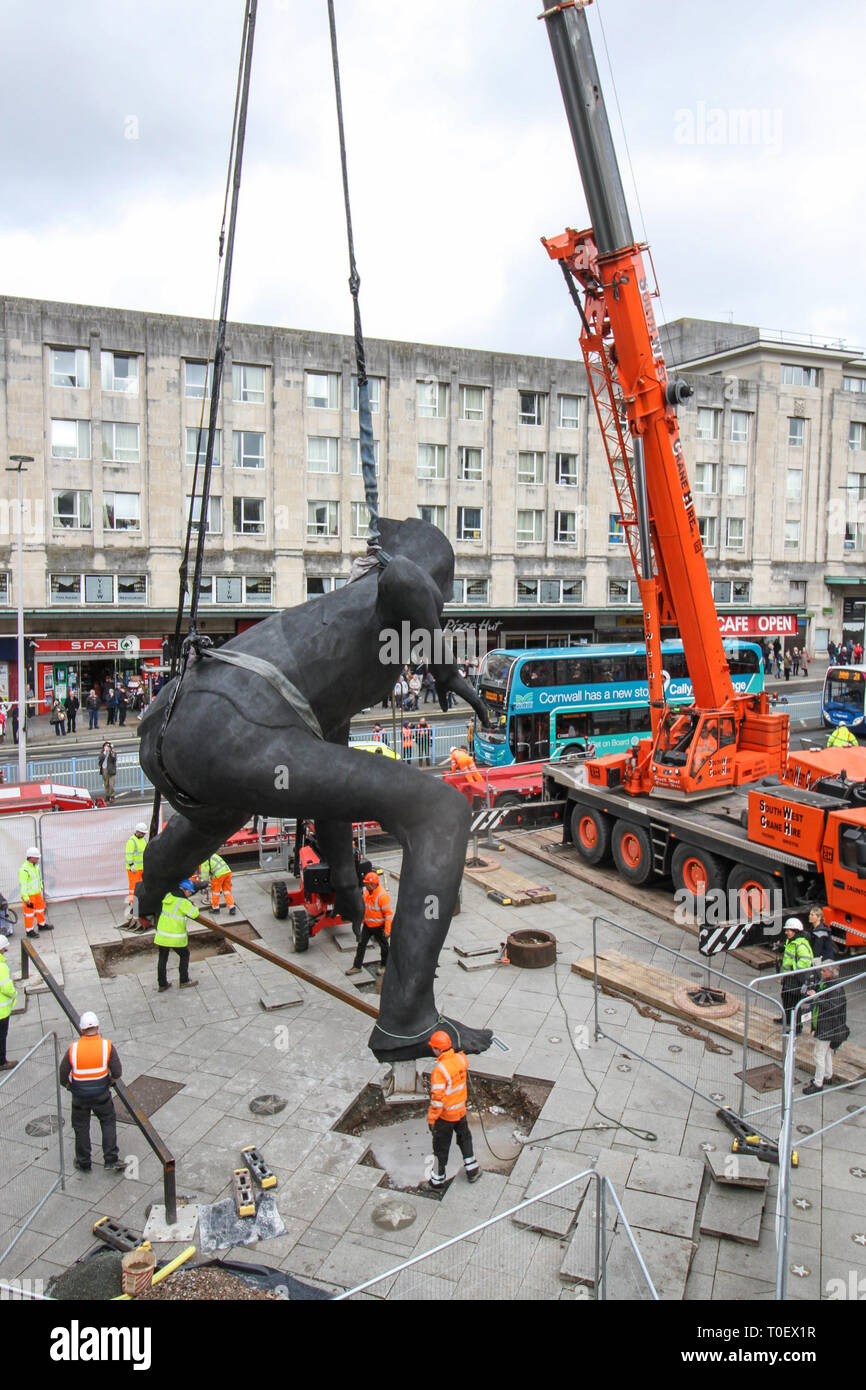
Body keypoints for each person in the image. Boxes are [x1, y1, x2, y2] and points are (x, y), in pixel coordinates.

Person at [59, 1012, 122, 1172]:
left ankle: (83, 1162)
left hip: (79, 1096)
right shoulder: (106, 1046)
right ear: (97, 1028)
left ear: (81, 1030)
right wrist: (112, 1079)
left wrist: (68, 1085)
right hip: (101, 1094)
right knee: (108, 1122)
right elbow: (117, 1071)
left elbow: (63, 1073)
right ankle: (110, 1159)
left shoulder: (73, 1049)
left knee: (81, 1127)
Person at [427, 1029, 480, 1190]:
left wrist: (431, 1119)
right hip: (460, 1111)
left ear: (437, 1049)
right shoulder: (461, 1060)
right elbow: (463, 1055)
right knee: (465, 1139)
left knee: (440, 1149)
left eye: (433, 1048)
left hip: (445, 1116)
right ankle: (472, 1169)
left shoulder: (440, 1071)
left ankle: (437, 1181)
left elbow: (437, 1099)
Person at [803, 965, 849, 1095]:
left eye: (824, 970)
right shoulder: (830, 985)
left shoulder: (834, 988)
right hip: (828, 1026)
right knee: (826, 1052)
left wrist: (816, 996)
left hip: (828, 1027)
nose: (821, 972)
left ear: (831, 973)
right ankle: (827, 1076)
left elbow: (832, 1007)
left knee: (819, 1055)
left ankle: (818, 1083)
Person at [153, 881, 199, 992]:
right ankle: (184, 980)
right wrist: (194, 906)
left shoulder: (168, 896)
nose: (190, 894)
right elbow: (194, 914)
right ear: (184, 890)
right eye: (189, 892)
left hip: (162, 935)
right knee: (185, 955)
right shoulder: (183, 902)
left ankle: (162, 984)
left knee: (163, 958)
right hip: (175, 937)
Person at [346, 870, 392, 977]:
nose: (369, 885)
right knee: (361, 945)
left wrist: (387, 930)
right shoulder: (366, 892)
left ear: (376, 883)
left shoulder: (382, 896)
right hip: (368, 925)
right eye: (367, 883)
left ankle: (385, 966)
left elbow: (388, 915)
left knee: (384, 947)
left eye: (371, 884)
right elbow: (364, 907)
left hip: (379, 926)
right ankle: (357, 966)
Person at [780, 917, 814, 1035]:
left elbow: (805, 961)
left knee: (794, 1004)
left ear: (796, 931)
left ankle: (797, 1028)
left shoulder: (800, 945)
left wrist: (794, 970)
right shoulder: (791, 942)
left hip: (796, 979)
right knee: (785, 998)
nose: (786, 932)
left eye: (789, 930)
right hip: (789, 978)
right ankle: (786, 1019)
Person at [19, 847, 52, 937]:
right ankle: (29, 930)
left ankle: (41, 924)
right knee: (29, 913)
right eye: (36, 858)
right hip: (29, 897)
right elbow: (23, 885)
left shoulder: (35, 867)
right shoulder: (24, 870)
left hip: (37, 894)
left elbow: (37, 879)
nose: (38, 859)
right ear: (31, 858)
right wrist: (26, 898)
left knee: (40, 909)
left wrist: (40, 889)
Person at [0, 937, 18, 1071]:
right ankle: (2, 1062)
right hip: (2, 1011)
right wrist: (15, 994)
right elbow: (7, 989)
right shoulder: (2, 967)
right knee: (1, 1036)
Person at [125, 823, 148, 912]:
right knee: (133, 886)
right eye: (142, 833)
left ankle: (139, 901)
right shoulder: (132, 841)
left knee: (140, 885)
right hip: (134, 869)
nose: (143, 835)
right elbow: (128, 854)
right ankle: (132, 902)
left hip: (141, 867)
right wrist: (131, 865)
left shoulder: (143, 840)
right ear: (137, 832)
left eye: (144, 833)